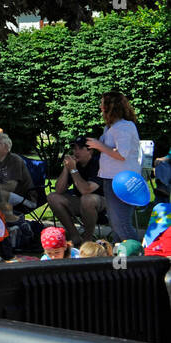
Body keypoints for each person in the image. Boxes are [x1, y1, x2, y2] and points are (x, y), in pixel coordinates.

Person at [88, 91, 142, 243]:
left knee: (121, 223)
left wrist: (99, 145)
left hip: (123, 181)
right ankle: (120, 253)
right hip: (112, 179)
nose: (100, 107)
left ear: (110, 107)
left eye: (102, 104)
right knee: (115, 222)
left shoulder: (124, 127)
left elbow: (121, 154)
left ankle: (136, 254)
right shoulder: (111, 127)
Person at [46, 136, 104, 246]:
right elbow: (59, 190)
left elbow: (86, 190)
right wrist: (66, 168)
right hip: (81, 202)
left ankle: (87, 240)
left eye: (80, 148)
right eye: (74, 148)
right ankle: (75, 236)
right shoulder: (75, 164)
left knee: (87, 199)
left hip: (103, 203)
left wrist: (73, 169)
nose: (76, 152)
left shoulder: (98, 163)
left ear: (90, 151)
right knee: (52, 197)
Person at [0, 132, 36, 215]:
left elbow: (11, 187)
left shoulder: (14, 160)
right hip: (5, 195)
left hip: (25, 199)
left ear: (5, 146)